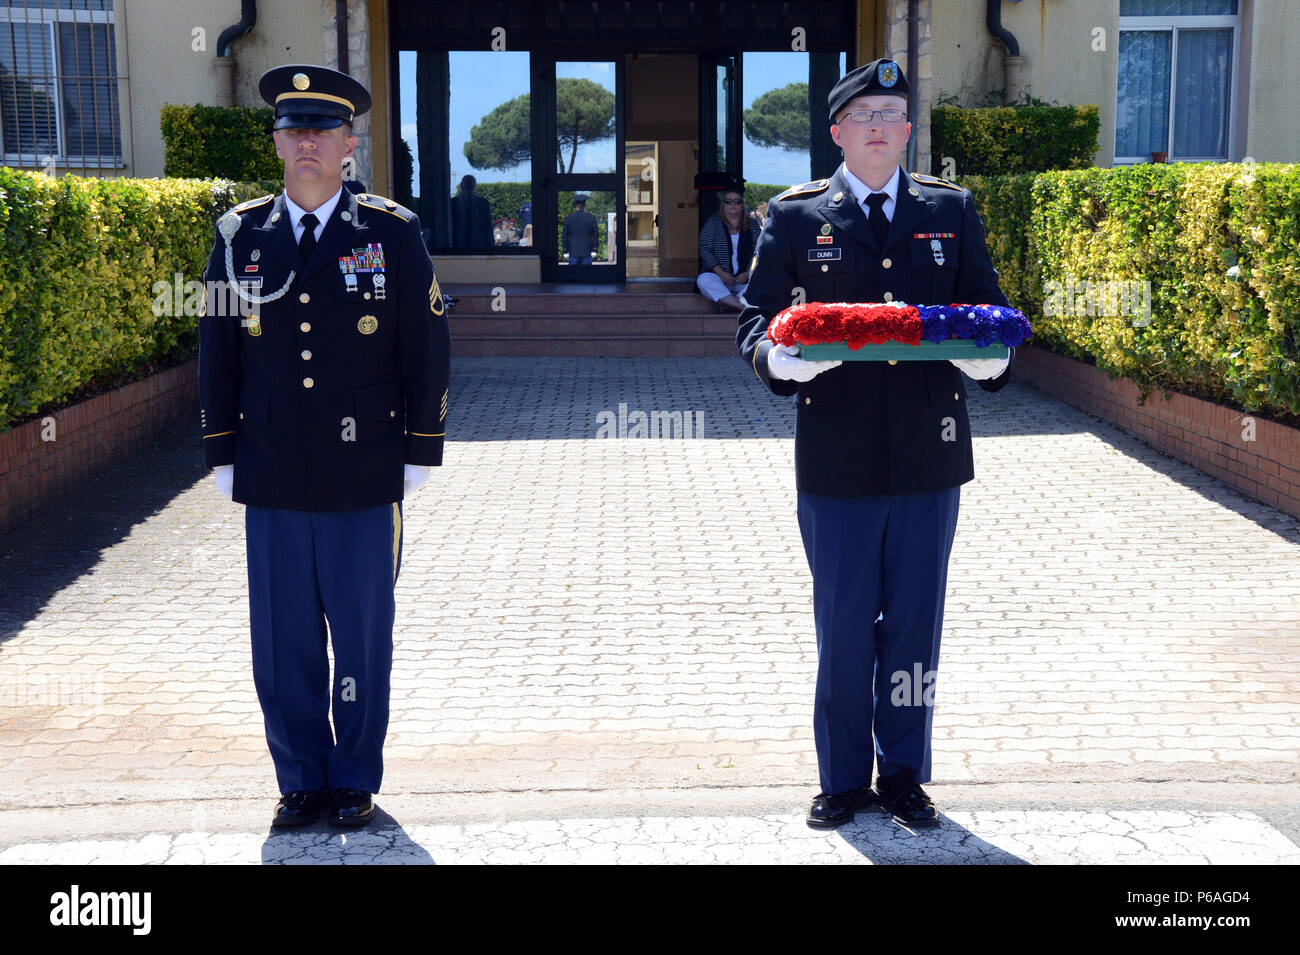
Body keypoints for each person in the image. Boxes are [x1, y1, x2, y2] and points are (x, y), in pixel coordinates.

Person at [737, 58, 1014, 831]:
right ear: (837, 131)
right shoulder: (795, 218)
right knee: (845, 621)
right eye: (866, 115)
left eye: (894, 113)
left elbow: (987, 309)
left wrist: (992, 355)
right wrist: (775, 358)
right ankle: (841, 777)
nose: (882, 127)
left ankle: (902, 775)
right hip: (838, 458)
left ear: (906, 129)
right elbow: (755, 318)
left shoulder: (949, 211)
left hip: (929, 456)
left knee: (916, 624)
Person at [198, 64, 451, 829]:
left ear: (349, 143)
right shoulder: (240, 235)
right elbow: (216, 347)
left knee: (361, 633)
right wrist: (219, 449)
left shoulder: (391, 232)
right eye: (292, 129)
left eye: (322, 130)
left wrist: (420, 449)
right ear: (277, 142)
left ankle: (353, 778)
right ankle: (300, 776)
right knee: (283, 637)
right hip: (272, 465)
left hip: (364, 468)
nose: (306, 142)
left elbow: (426, 348)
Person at [697, 183, 761, 313]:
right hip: (720, 278)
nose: (733, 204)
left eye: (737, 202)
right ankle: (741, 307)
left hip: (743, 280)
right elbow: (705, 249)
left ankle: (729, 302)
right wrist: (721, 273)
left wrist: (748, 273)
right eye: (728, 201)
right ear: (723, 205)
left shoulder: (752, 225)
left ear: (742, 205)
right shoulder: (713, 223)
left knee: (764, 279)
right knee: (703, 280)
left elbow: (760, 251)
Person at [450, 174, 493, 247]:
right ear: (475, 187)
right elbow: (488, 227)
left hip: (456, 246)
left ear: (460, 186)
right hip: (478, 246)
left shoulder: (452, 203)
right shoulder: (483, 203)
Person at [562, 194, 598, 265]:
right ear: (585, 205)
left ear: (575, 204)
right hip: (587, 253)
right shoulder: (591, 218)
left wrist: (565, 250)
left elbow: (564, 236)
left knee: (574, 275)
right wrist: (595, 249)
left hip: (573, 253)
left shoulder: (569, 218)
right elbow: (595, 235)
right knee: (586, 275)